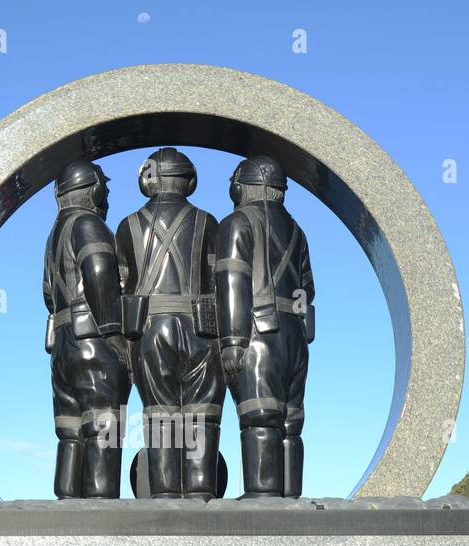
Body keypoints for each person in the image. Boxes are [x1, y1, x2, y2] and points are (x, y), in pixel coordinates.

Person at [114, 147, 223, 498]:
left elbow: (120, 286)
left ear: (148, 178)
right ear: (187, 180)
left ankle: (164, 496)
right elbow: (218, 279)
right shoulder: (208, 221)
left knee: (159, 413)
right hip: (200, 327)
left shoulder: (126, 225)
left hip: (149, 327)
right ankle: (200, 493)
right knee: (201, 414)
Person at [215, 155, 315, 497]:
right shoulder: (297, 231)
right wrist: (302, 331)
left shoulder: (236, 222)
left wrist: (231, 340)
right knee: (291, 422)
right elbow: (306, 289)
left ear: (241, 185)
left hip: (256, 332)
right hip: (295, 336)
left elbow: (232, 282)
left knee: (259, 417)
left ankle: (262, 496)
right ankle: (289, 497)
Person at [43, 159, 132, 498]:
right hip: (94, 338)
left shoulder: (54, 234)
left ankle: (67, 501)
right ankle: (100, 505)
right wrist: (113, 332)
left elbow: (48, 292)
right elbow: (97, 271)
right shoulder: (88, 224)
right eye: (104, 190)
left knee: (70, 431)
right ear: (92, 189)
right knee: (104, 425)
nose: (106, 198)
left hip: (63, 342)